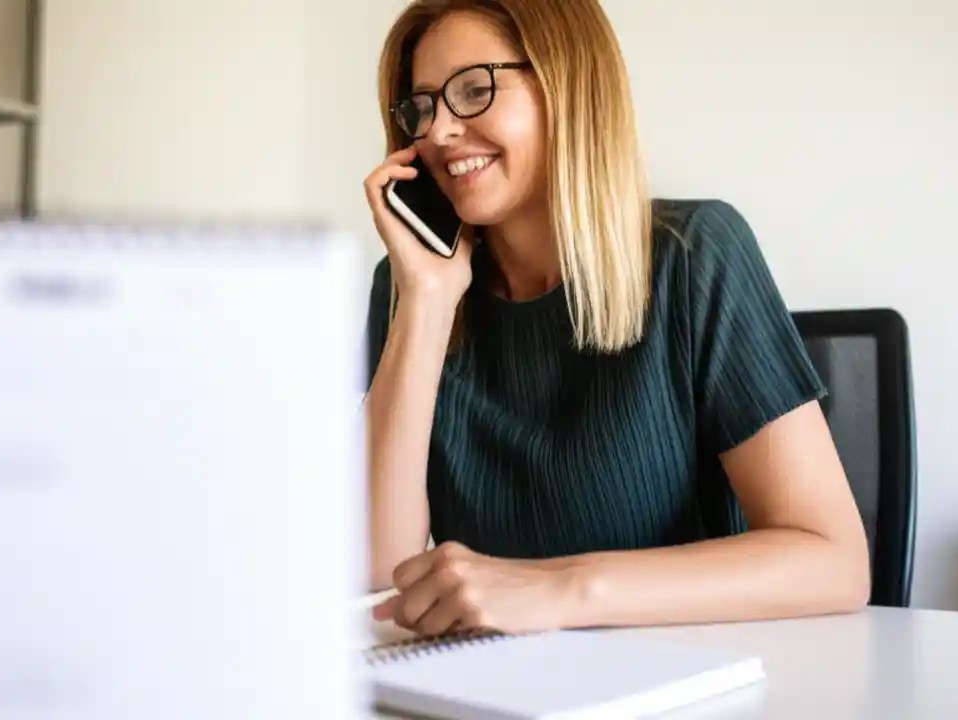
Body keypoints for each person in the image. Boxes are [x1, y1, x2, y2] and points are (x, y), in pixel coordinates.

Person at [363, 0, 870, 637]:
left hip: (684, 681)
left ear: (568, 85)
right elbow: (382, 577)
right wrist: (427, 303)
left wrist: (562, 589)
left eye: (473, 89)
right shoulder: (412, 286)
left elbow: (834, 561)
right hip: (496, 687)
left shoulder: (696, 254)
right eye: (423, 106)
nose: (437, 132)